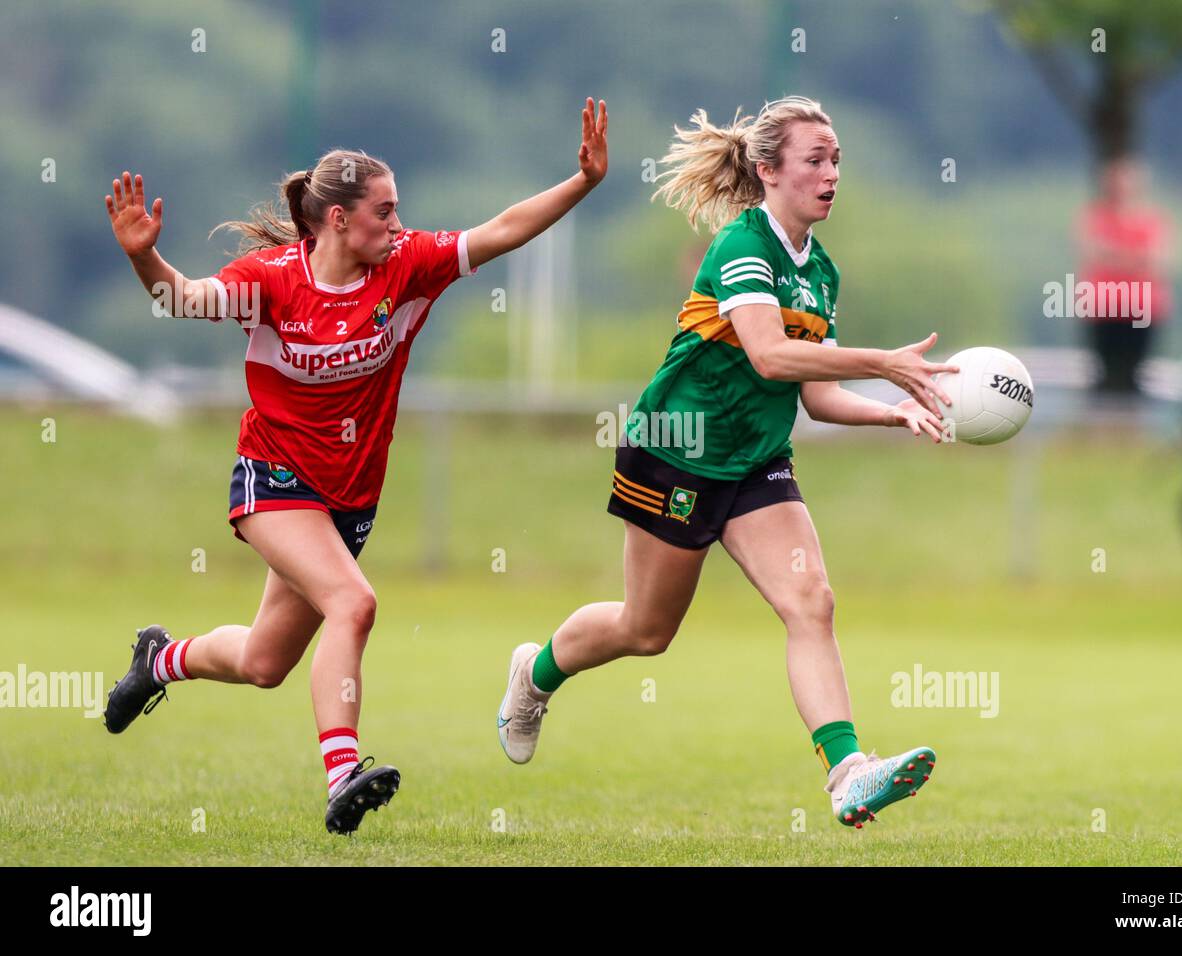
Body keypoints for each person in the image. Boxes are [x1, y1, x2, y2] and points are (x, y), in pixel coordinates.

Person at [101, 99, 609, 834]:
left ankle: (160, 661)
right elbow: (182, 299)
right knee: (355, 604)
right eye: (384, 210)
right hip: (273, 479)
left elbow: (501, 230)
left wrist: (582, 182)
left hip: (349, 499)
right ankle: (343, 774)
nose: (398, 224)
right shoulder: (272, 280)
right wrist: (143, 255)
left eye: (398, 210)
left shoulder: (407, 267)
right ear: (337, 220)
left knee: (266, 661)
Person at [496, 96, 954, 829]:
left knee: (813, 603)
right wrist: (884, 362)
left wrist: (890, 408)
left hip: (756, 461)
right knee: (645, 630)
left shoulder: (821, 272)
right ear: (768, 171)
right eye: (815, 159)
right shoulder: (742, 247)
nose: (831, 172)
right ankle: (535, 672)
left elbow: (819, 396)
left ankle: (847, 772)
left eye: (836, 159)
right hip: (675, 451)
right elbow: (771, 355)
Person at [1077, 157, 1173, 394]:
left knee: (1135, 377)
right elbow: (1092, 252)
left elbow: (1159, 262)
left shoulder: (1152, 220)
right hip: (1103, 307)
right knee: (1103, 376)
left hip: (1141, 309)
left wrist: (1114, 255)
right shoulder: (1096, 217)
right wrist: (1136, 258)